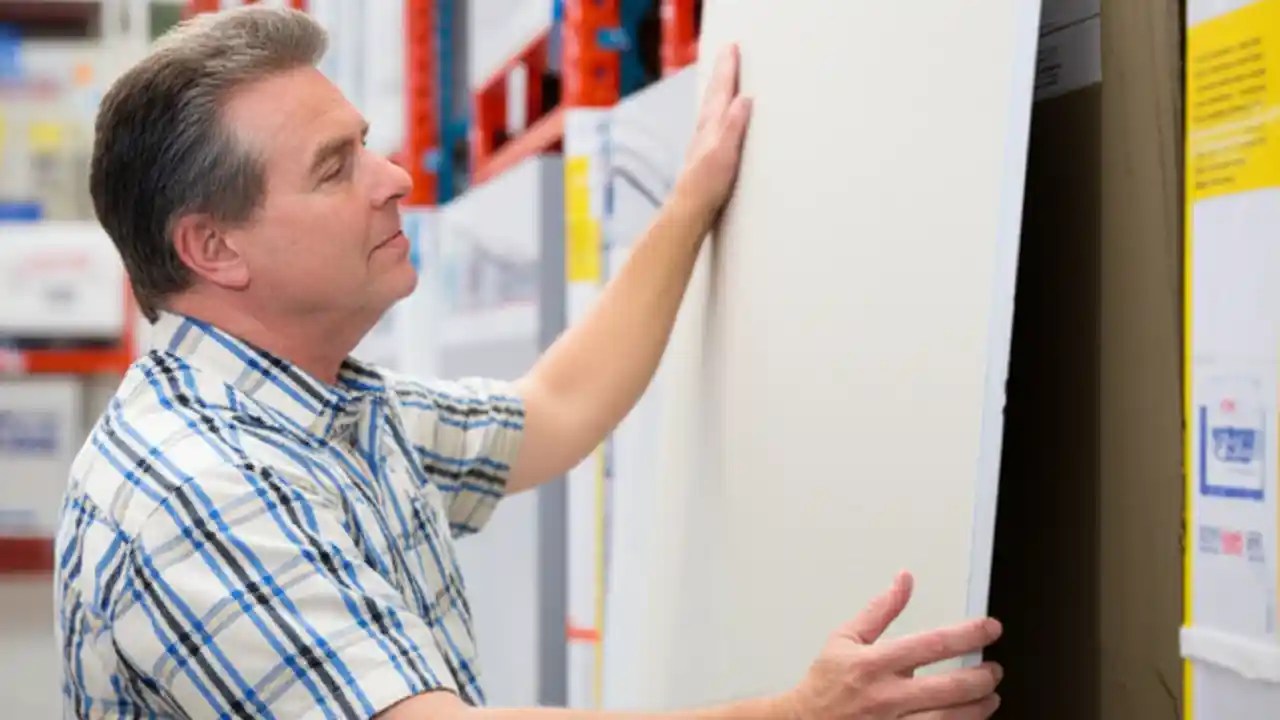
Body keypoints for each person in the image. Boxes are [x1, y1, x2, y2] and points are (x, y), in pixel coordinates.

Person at [55, 7, 1004, 720]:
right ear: (214, 250)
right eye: (336, 168)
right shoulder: (197, 490)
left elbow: (554, 410)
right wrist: (797, 714)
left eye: (370, 146)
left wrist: (690, 202)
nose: (395, 180)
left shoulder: (328, 408)